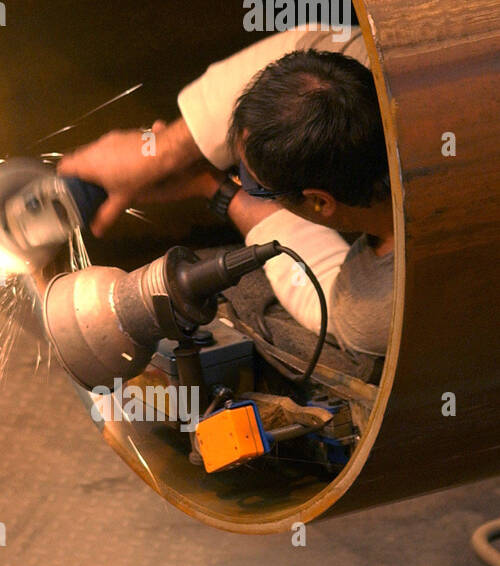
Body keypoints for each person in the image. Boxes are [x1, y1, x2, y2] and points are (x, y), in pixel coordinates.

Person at [56, 27, 393, 357]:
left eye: (252, 182)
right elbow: (308, 46)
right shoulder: (392, 65)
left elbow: (326, 300)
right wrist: (163, 150)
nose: (237, 179)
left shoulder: (378, 305)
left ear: (319, 201)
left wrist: (222, 193)